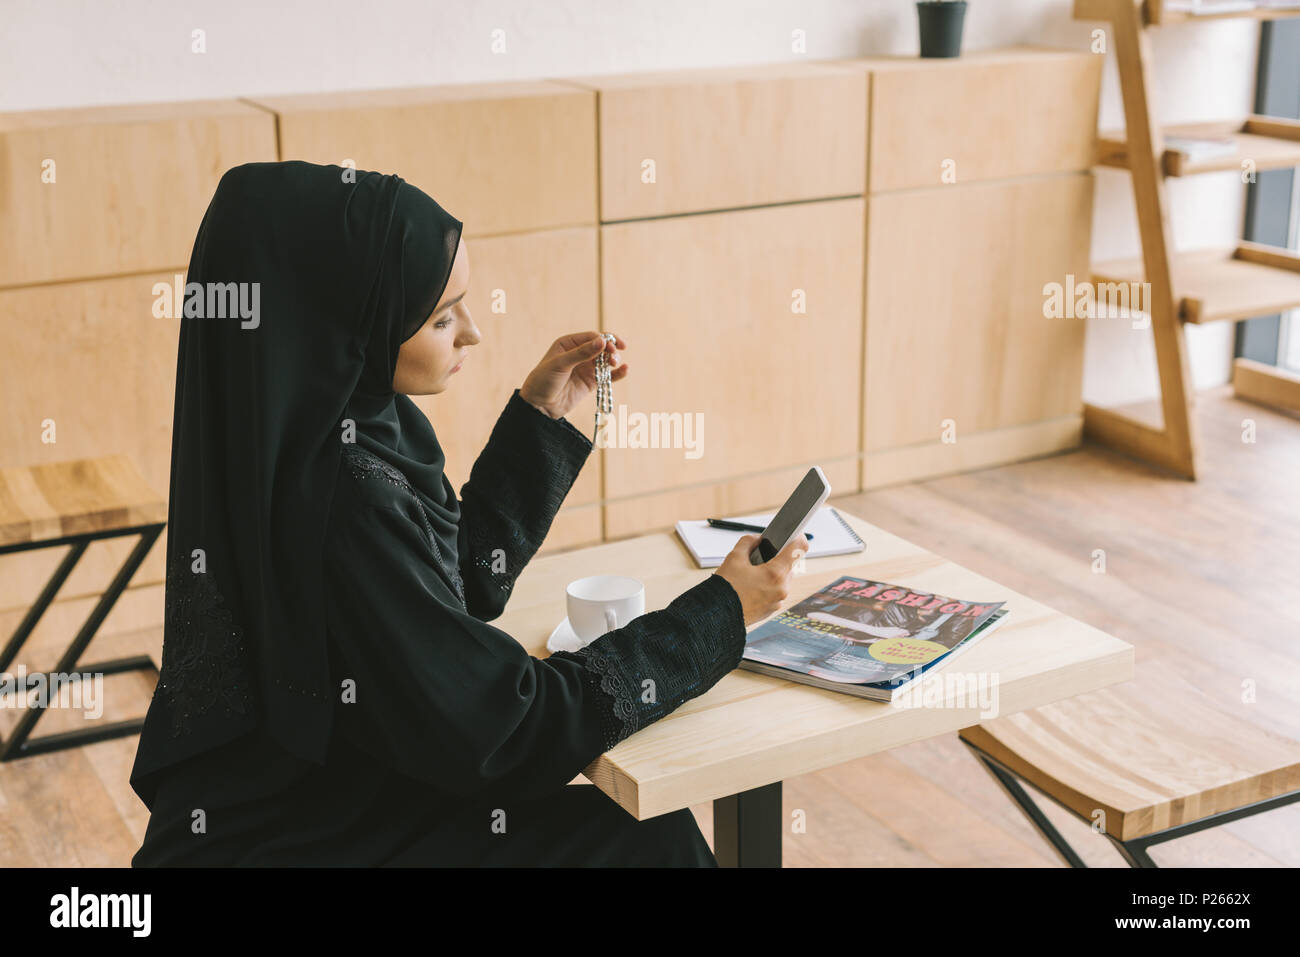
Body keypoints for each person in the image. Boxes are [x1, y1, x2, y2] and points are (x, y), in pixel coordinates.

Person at [128, 160, 806, 866]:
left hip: (347, 789)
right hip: (303, 836)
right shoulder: (342, 494)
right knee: (645, 841)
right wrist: (720, 613)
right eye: (441, 316)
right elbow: (510, 727)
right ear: (348, 319)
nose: (473, 333)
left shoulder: (336, 424)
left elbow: (453, 580)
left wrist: (541, 415)